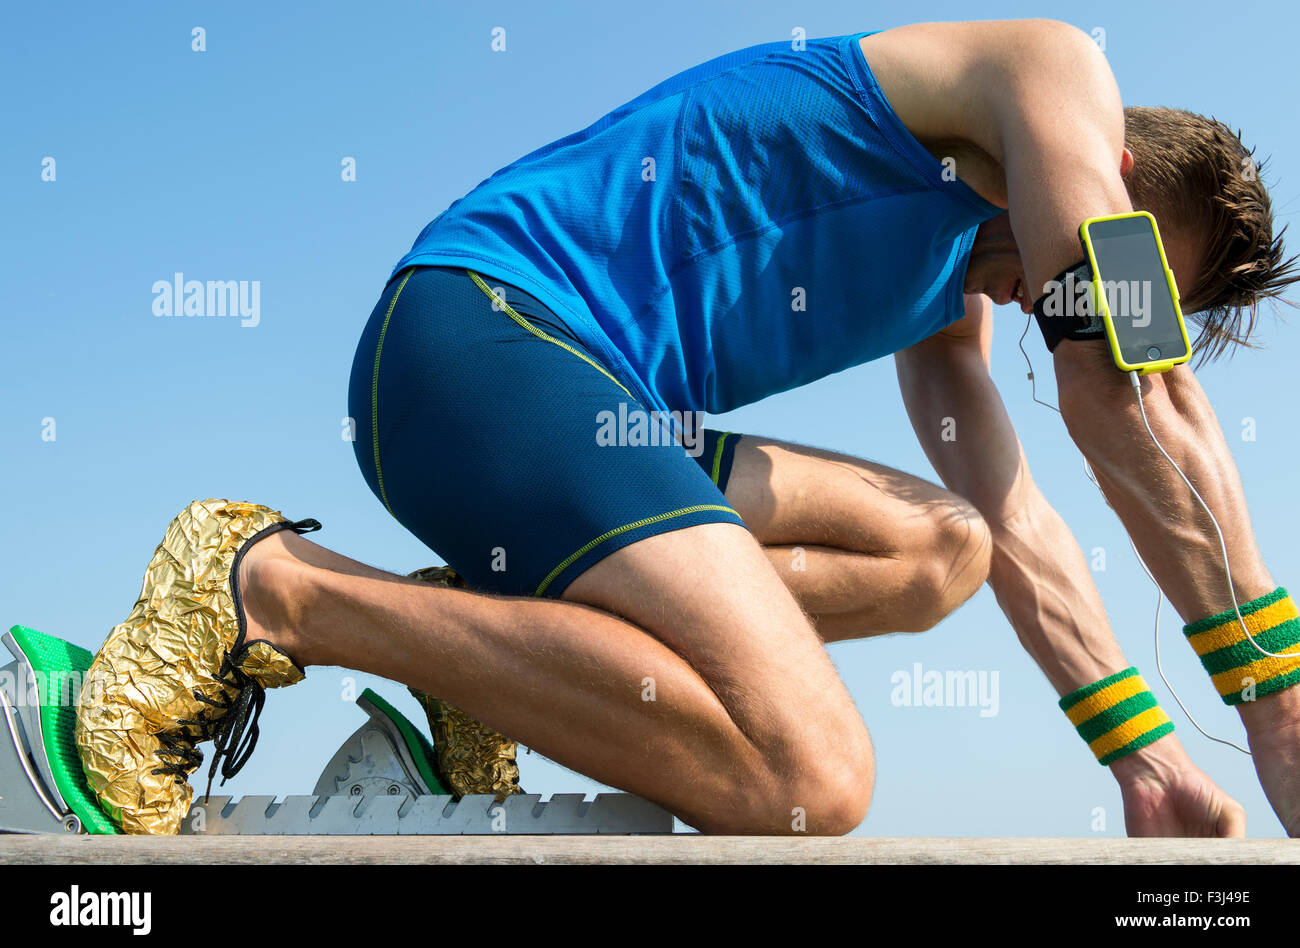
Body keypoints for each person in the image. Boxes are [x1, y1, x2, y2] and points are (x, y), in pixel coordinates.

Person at [76, 20, 1298, 837]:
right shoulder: (1051, 74)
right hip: (471, 342)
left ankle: (496, 645)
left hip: (582, 419)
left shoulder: (951, 294)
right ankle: (278, 589)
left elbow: (1018, 519)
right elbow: (1140, 393)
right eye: (1128, 278)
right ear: (1110, 173)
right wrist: (1278, 702)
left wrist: (1136, 753)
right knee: (810, 780)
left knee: (947, 545)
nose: (1043, 300)